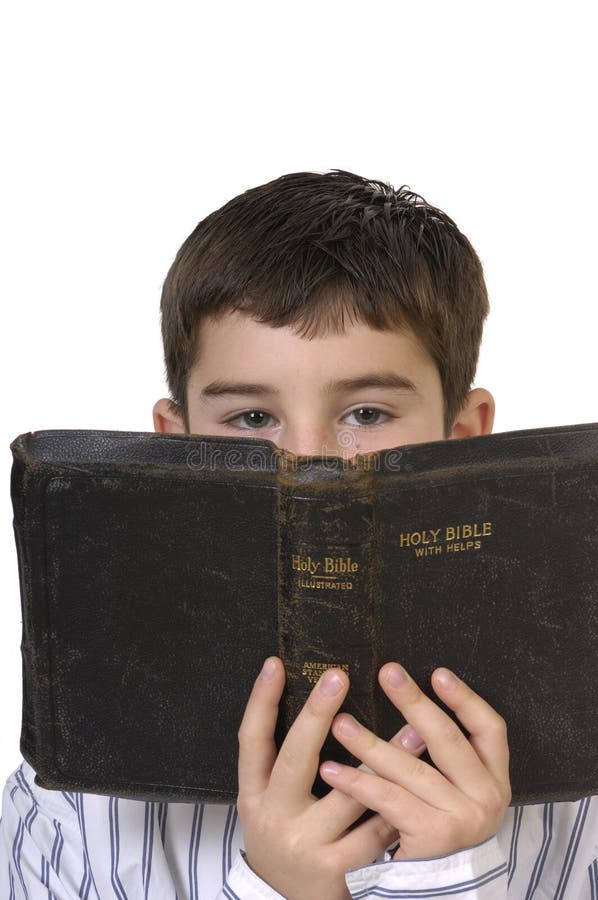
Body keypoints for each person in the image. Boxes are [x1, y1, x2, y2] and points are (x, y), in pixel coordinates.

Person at [1, 171, 596, 898]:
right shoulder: (76, 792)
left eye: (368, 414)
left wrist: (445, 873)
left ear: (463, 436)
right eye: (252, 418)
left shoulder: (580, 795)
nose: (310, 461)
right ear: (175, 447)